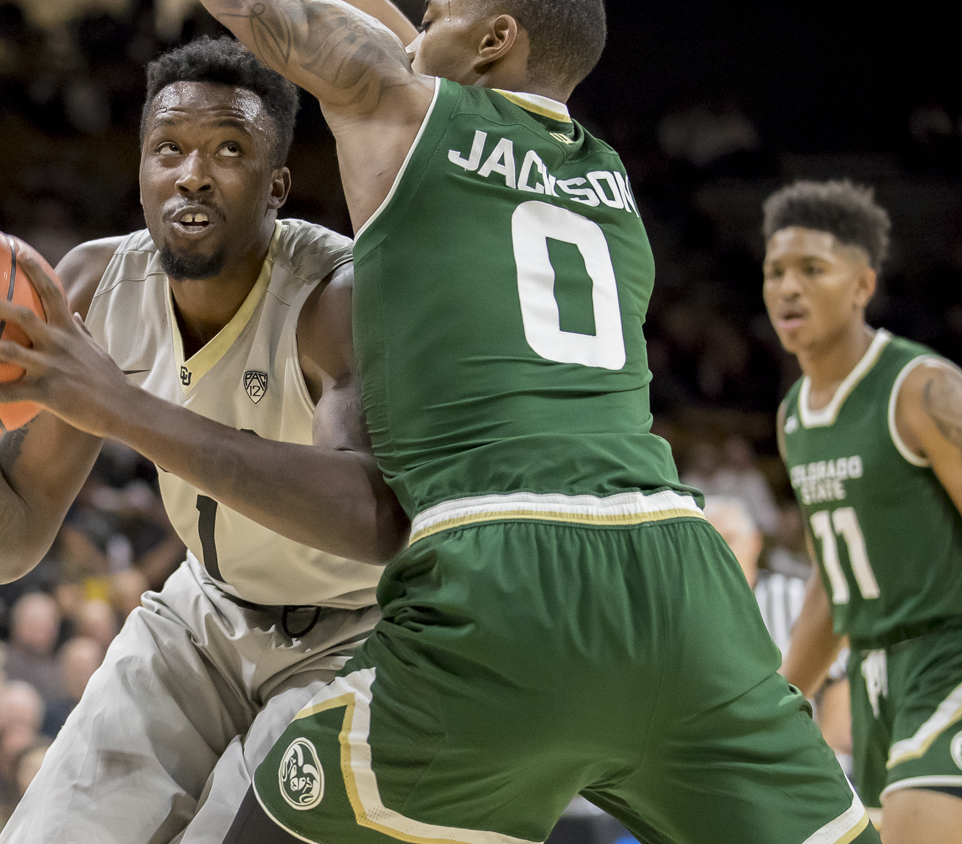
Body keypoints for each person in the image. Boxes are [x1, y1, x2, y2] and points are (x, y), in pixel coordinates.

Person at [154, 1, 879, 842]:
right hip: (684, 577)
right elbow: (407, 57)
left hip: (508, 566)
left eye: (437, 13)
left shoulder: (401, 113)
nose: (414, 31)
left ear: (496, 39)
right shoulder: (610, 178)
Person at [0, 37, 406, 844]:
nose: (193, 172)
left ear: (276, 186)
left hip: (356, 637)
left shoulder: (336, 299)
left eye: (229, 150)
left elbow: (374, 521)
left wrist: (118, 407)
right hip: (200, 617)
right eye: (168, 149)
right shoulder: (89, 288)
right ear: (142, 174)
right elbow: (4, 547)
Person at [767, 181, 962, 841]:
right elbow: (834, 578)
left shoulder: (924, 389)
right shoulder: (795, 416)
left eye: (812, 269)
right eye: (775, 272)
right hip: (873, 678)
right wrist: (775, 705)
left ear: (862, 285)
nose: (788, 288)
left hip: (955, 655)